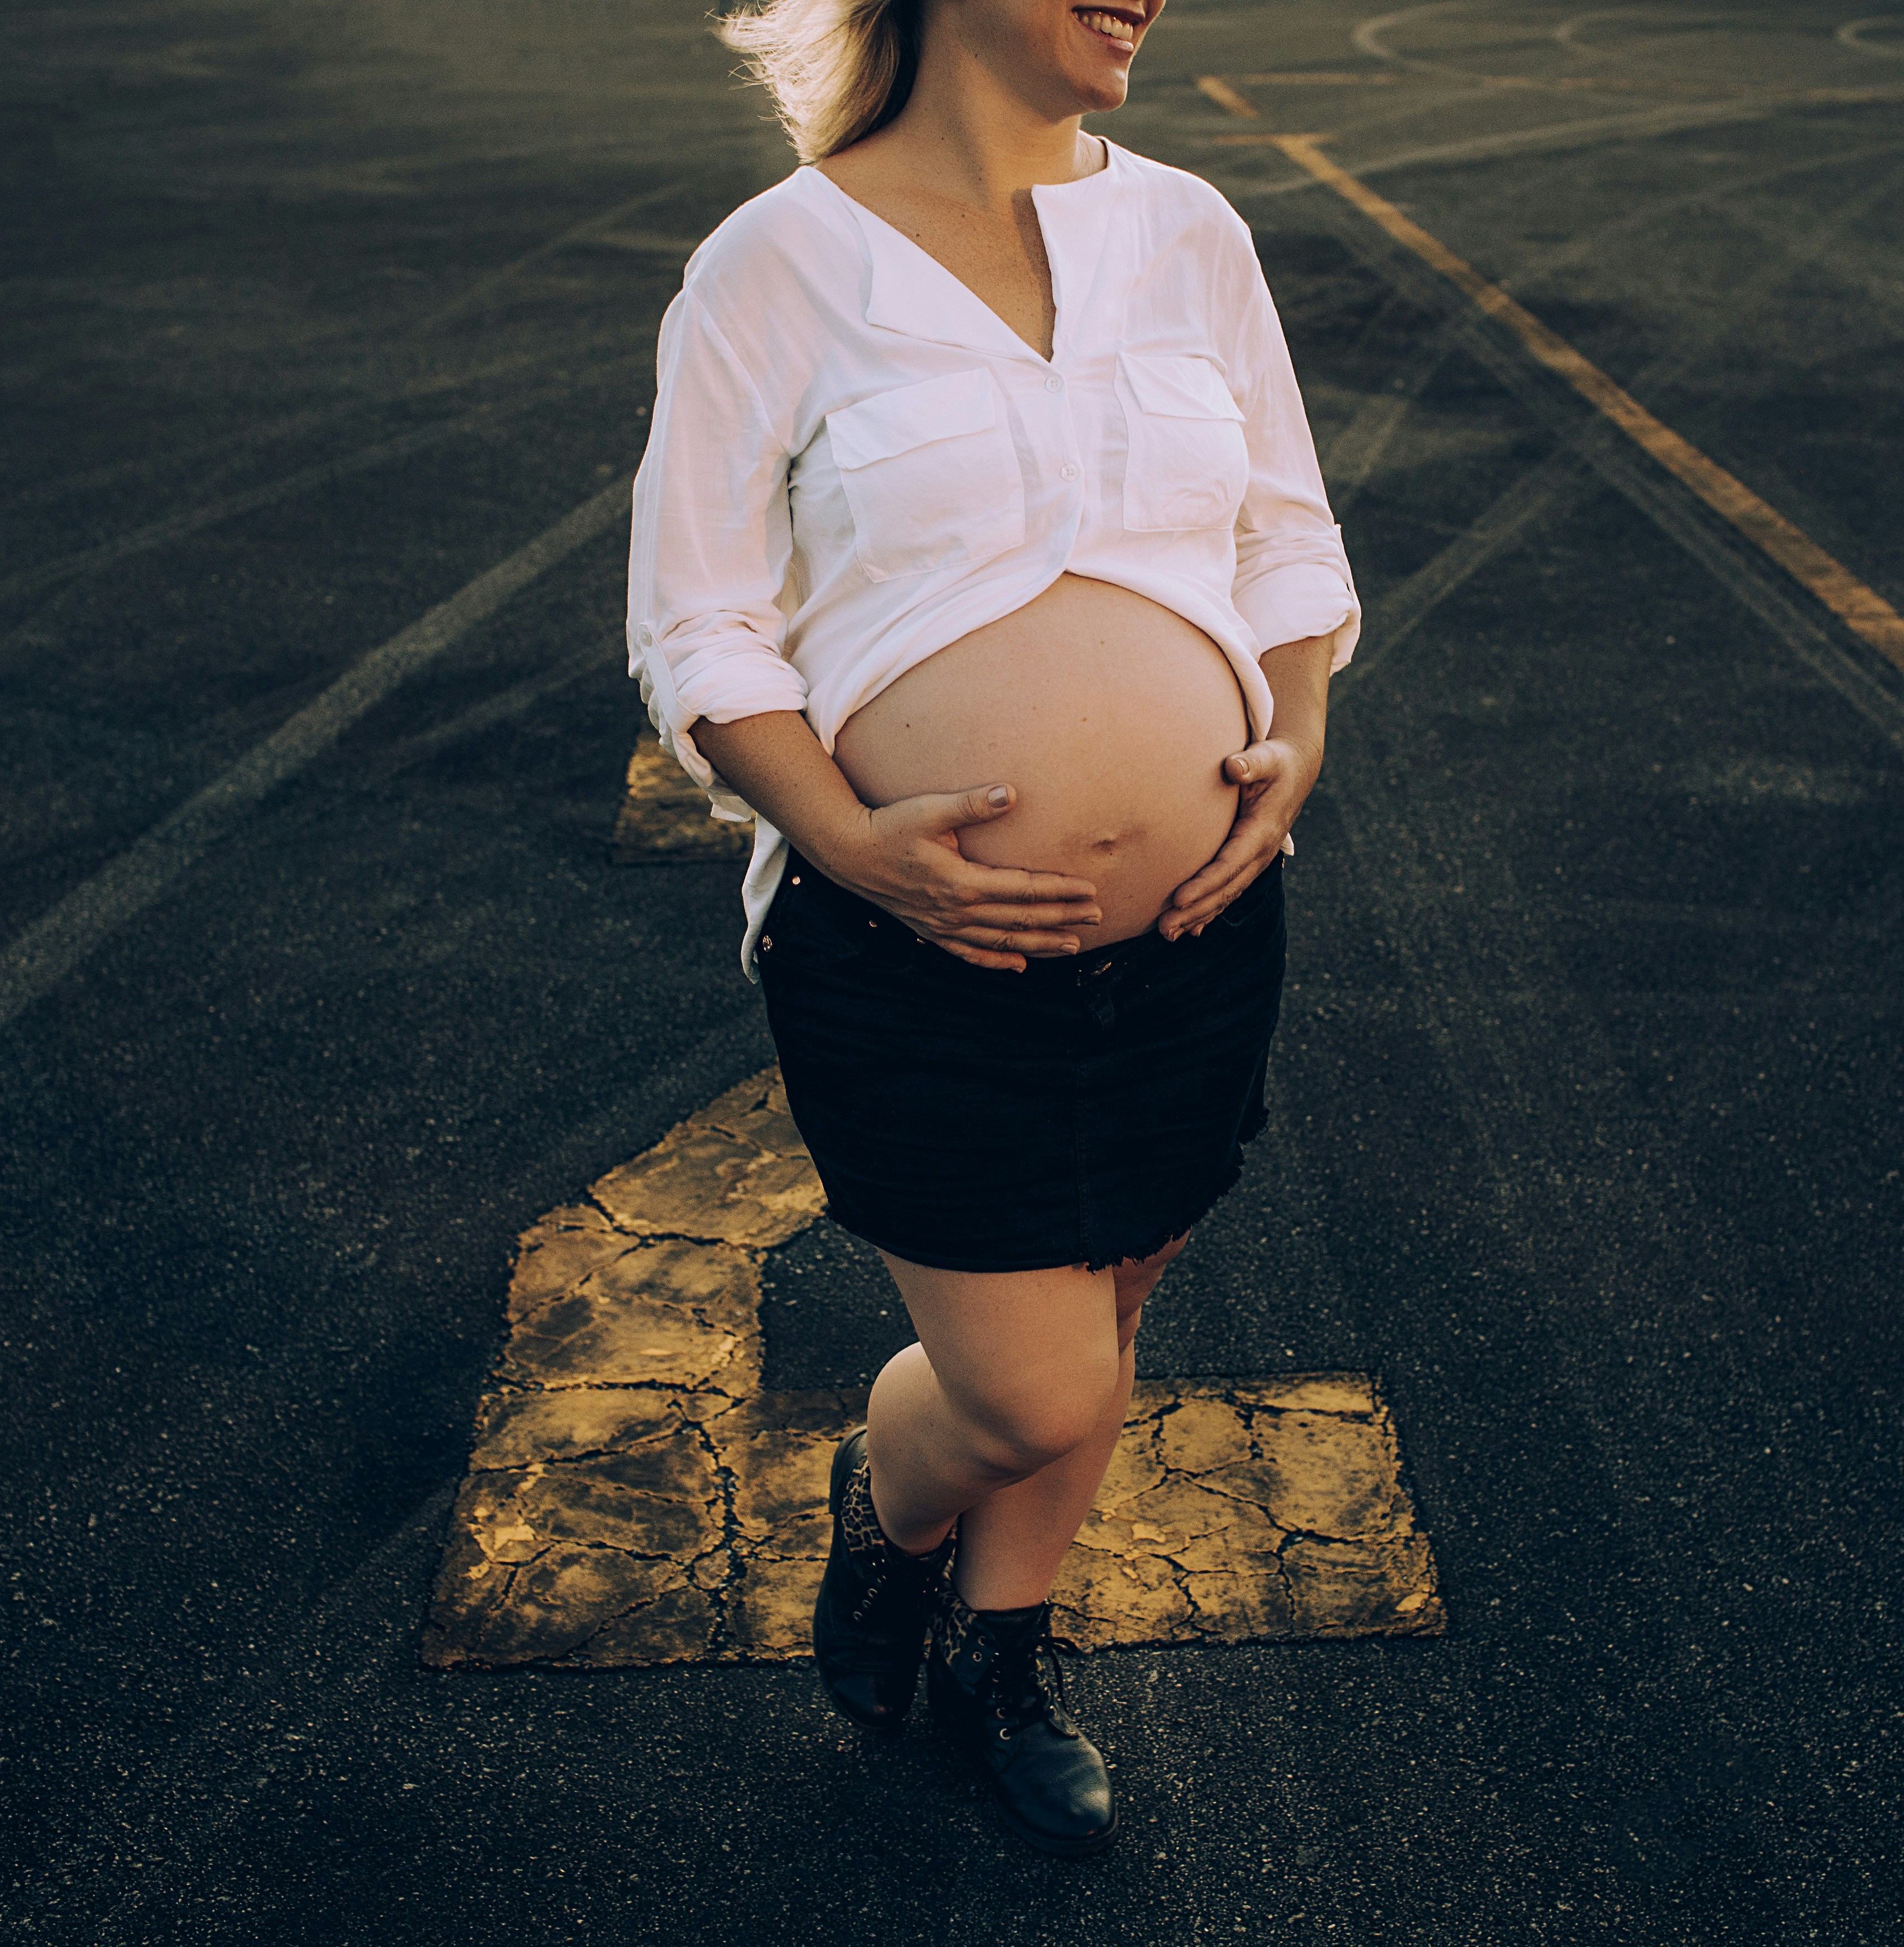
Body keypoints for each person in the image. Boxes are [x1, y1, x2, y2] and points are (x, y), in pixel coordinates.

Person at [626, 0, 1357, 1857]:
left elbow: (1283, 536)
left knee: (1115, 1298)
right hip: (908, 951)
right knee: (1033, 1381)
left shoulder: (1191, 232)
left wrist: (1292, 746)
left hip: (1201, 924)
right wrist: (850, 844)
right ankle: (891, 1528)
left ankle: (1004, 1656)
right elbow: (697, 622)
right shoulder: (774, 266)